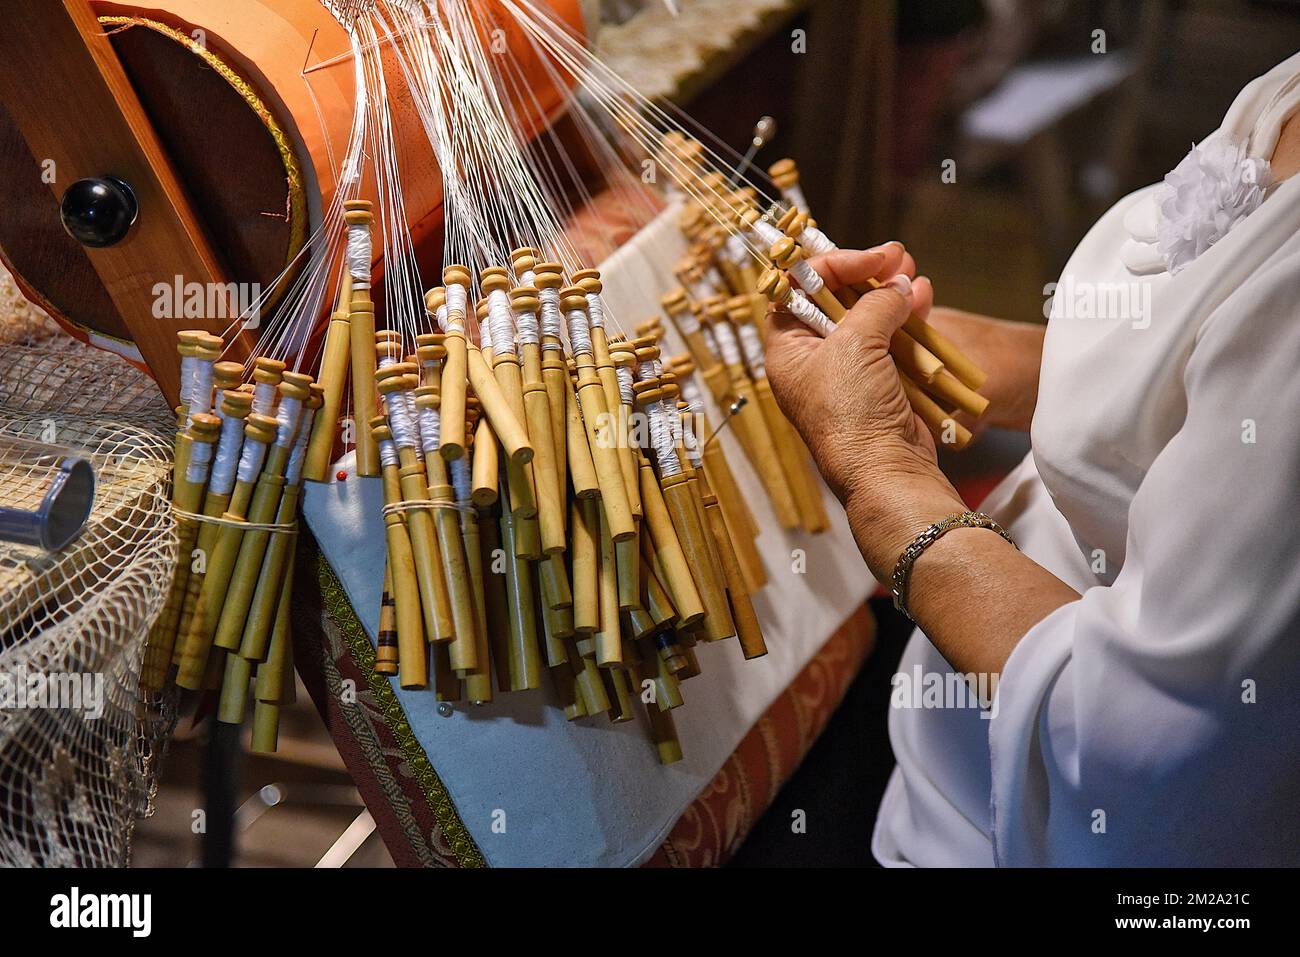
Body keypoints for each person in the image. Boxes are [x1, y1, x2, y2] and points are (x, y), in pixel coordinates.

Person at [763, 52, 1300, 866]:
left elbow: (1148, 742)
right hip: (940, 718)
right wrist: (977, 363)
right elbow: (1209, 374)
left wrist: (879, 473)